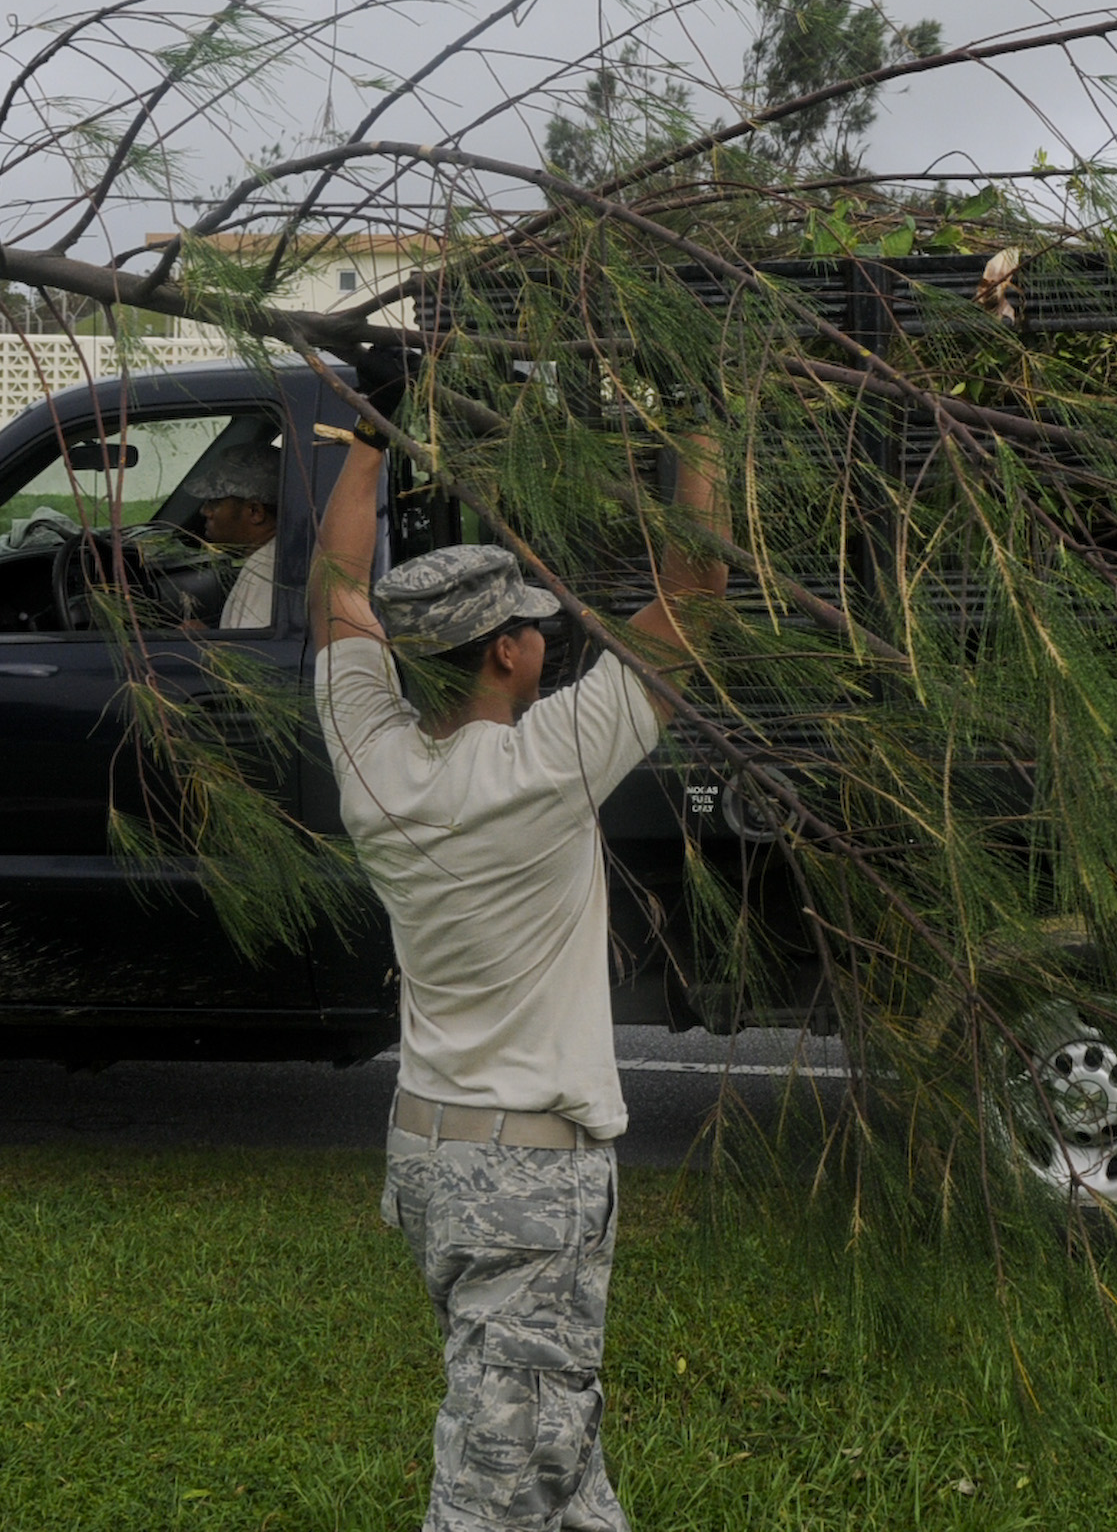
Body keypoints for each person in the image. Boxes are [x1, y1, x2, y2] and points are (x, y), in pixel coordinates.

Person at [309, 411, 726, 1532]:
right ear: (506, 651)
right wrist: (702, 420)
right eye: (537, 628)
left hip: (434, 1158)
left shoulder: (372, 757)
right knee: (498, 1482)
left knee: (555, 1450)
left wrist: (362, 440)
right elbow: (693, 593)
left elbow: (338, 595)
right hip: (528, 1184)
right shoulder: (545, 767)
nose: (551, 638)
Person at [184, 443, 282, 630]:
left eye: (214, 502)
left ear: (255, 512)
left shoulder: (265, 573)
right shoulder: (276, 558)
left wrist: (207, 645)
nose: (205, 511)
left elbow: (254, 656)